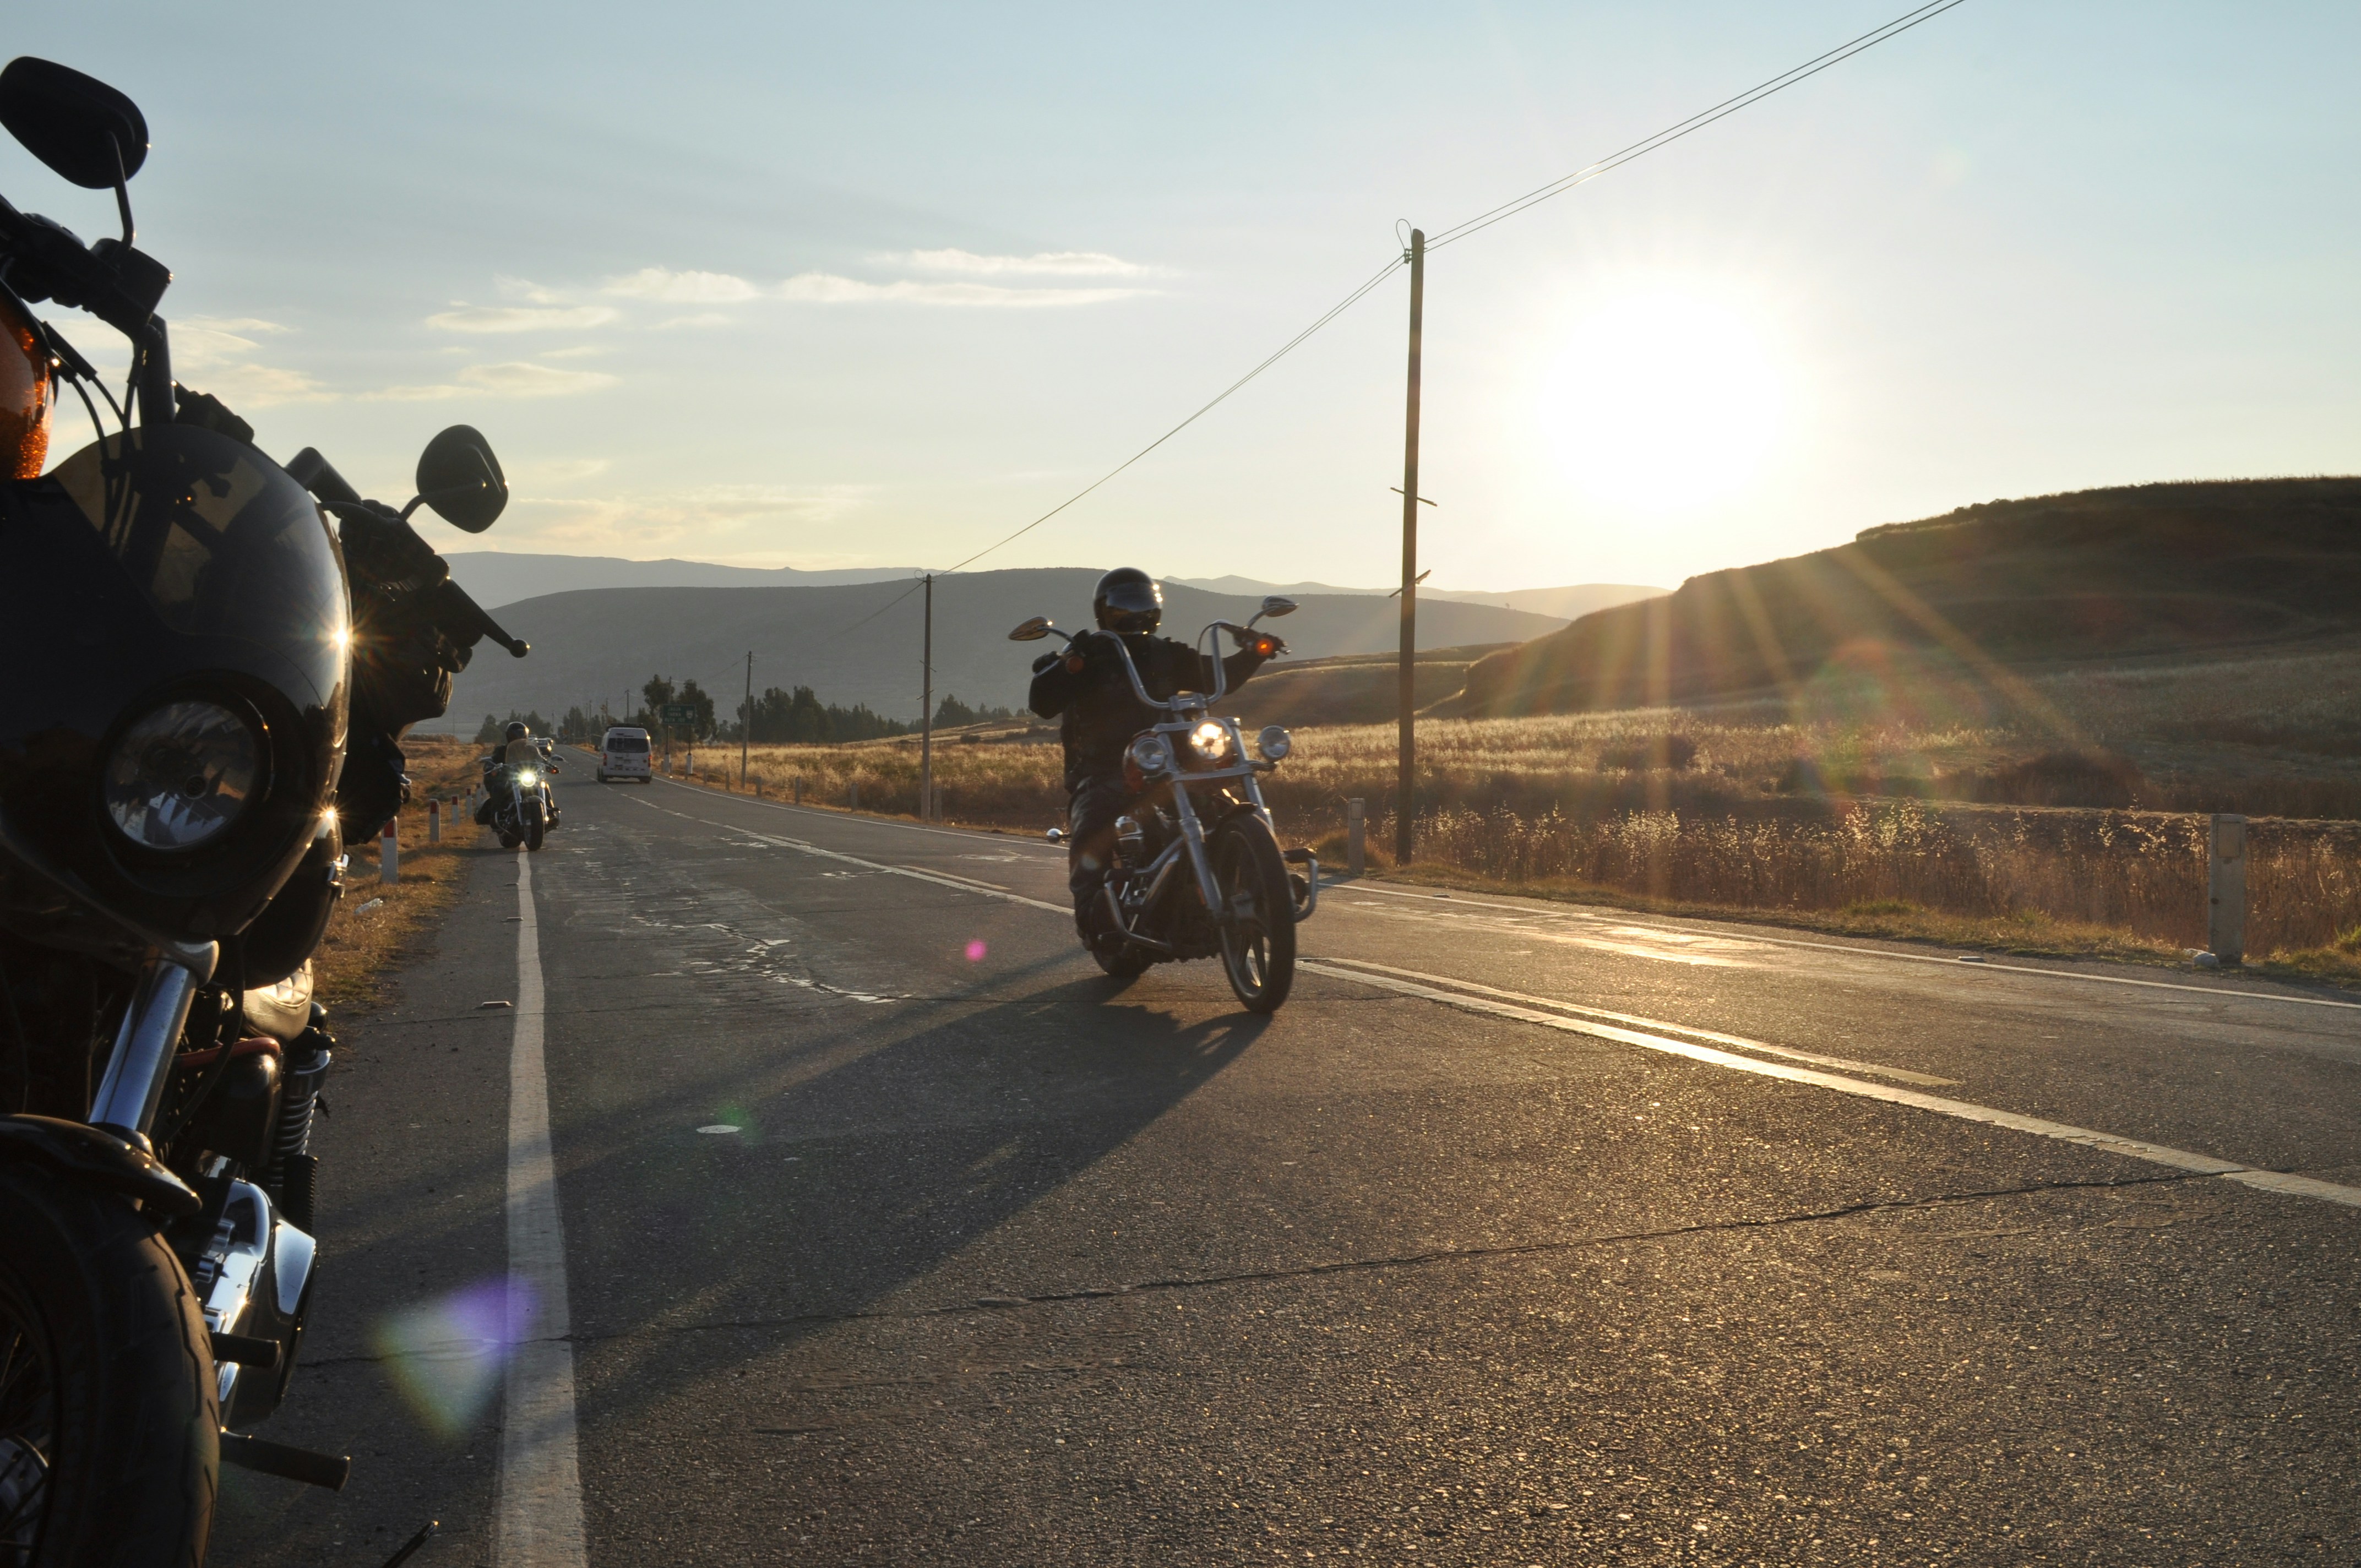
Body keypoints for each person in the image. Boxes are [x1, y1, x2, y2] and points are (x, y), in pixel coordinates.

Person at [1027, 567, 1282, 943]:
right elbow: (1043, 703)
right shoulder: (1089, 654)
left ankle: (1258, 879)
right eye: (1124, 604)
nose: (1134, 612)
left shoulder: (1166, 654)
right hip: (1104, 768)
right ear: (1105, 610)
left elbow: (1215, 678)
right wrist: (1065, 665)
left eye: (1142, 602)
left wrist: (1254, 653)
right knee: (1094, 826)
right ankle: (1091, 916)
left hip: (1171, 763)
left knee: (1222, 805)